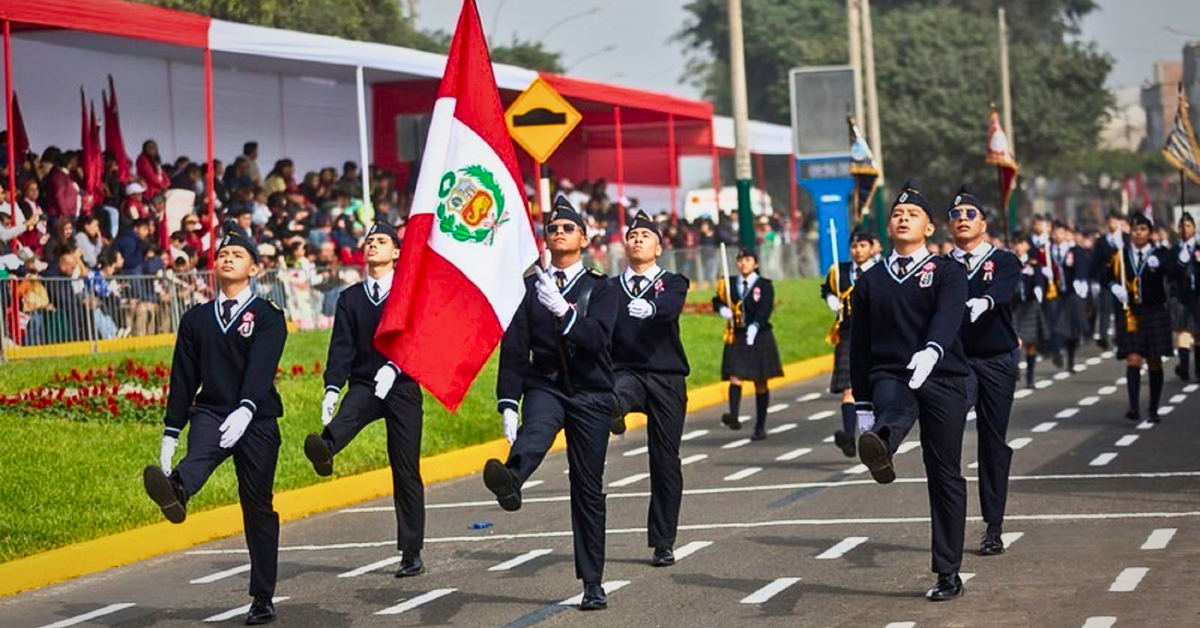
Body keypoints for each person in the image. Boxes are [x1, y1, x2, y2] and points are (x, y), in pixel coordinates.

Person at [142, 228, 287, 625]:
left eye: (238, 254)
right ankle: (177, 490)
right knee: (201, 450)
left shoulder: (268, 316)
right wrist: (172, 430)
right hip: (211, 410)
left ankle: (262, 597)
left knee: (257, 506)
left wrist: (245, 408)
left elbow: (261, 369)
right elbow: (183, 377)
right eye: (223, 253)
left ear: (254, 268)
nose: (228, 258)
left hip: (256, 418)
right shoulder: (196, 319)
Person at [482, 196, 617, 610]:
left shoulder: (602, 287)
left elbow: (599, 338)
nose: (559, 233)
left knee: (587, 488)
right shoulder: (528, 290)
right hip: (547, 384)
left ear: (584, 237)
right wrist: (508, 401)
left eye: (567, 228)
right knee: (535, 430)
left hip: (591, 392)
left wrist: (565, 313)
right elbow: (515, 347)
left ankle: (593, 582)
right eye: (553, 229)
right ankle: (512, 479)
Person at [850, 180, 970, 600]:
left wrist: (933, 351)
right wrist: (861, 404)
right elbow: (859, 345)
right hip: (892, 373)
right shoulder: (870, 281)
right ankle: (880, 443)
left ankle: (947, 571)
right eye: (897, 214)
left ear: (930, 228)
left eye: (912, 214)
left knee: (944, 473)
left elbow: (950, 315)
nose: (902, 218)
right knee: (893, 409)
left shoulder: (947, 271)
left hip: (944, 376)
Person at [303, 223, 425, 577]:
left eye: (381, 241)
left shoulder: (408, 293)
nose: (373, 246)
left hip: (401, 386)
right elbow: (341, 347)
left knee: (405, 469)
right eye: (369, 242)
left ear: (397, 252)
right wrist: (331, 387)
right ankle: (324, 449)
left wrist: (395, 367)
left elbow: (416, 337)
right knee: (348, 414)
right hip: (366, 382)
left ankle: (411, 550)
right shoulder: (351, 298)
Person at [607, 211, 690, 567]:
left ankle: (663, 541)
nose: (638, 239)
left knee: (665, 459)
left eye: (645, 235)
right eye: (633, 235)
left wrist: (652, 307)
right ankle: (615, 411)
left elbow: (670, 308)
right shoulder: (610, 287)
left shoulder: (673, 282)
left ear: (658, 247)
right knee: (614, 394)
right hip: (627, 371)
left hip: (666, 376)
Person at [947, 187, 1020, 556]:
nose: (962, 219)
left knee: (992, 442)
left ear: (984, 223)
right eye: (956, 214)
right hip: (956, 363)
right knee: (946, 439)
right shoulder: (940, 266)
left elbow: (1005, 290)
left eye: (970, 214)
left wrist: (985, 300)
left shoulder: (1003, 260)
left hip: (995, 360)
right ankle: (949, 528)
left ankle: (993, 525)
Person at [1110, 213, 1180, 423]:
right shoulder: (1121, 255)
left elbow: (1174, 273)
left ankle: (1153, 408)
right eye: (1135, 230)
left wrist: (1173, 262)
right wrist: (1113, 286)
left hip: (1155, 310)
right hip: (1131, 312)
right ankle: (1133, 407)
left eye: (1143, 230)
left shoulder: (1160, 253)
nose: (1138, 234)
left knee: (1154, 360)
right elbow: (1106, 275)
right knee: (1133, 358)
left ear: (1149, 233)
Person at [712, 248, 784, 440]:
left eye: (748, 260)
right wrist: (722, 310)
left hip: (759, 335)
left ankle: (760, 426)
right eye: (741, 260)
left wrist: (755, 325)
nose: (744, 263)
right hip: (737, 334)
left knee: (760, 381)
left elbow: (765, 307)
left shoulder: (764, 285)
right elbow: (717, 301)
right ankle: (733, 415)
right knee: (735, 375)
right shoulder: (728, 284)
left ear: (756, 264)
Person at [822, 229, 877, 457]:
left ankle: (876, 437)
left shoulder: (880, 270)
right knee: (849, 388)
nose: (858, 250)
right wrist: (831, 299)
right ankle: (848, 437)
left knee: (876, 387)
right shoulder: (839, 271)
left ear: (871, 247)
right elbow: (826, 289)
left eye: (862, 246)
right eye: (854, 247)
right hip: (847, 334)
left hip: (876, 333)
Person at [1050, 221, 1090, 371]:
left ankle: (1071, 359)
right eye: (1055, 233)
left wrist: (1081, 283)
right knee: (1055, 324)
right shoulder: (1047, 251)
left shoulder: (1074, 251)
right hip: (1055, 292)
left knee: (1071, 330)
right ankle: (1056, 352)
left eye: (1061, 233)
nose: (1058, 236)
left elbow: (1081, 268)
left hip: (1071, 293)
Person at [1012, 234, 1050, 389]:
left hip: (1030, 305)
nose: (1018, 246)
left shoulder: (1033, 264)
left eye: (1021, 243)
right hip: (1015, 306)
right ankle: (1015, 369)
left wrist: (1039, 288)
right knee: (1015, 341)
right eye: (1016, 243)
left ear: (1027, 246)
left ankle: (1030, 377)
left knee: (1031, 344)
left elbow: (1039, 279)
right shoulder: (1010, 263)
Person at [1090, 212, 1125, 350]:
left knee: (1120, 310)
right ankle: (1103, 336)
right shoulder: (1102, 241)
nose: (1112, 225)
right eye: (1110, 222)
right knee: (1105, 309)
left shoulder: (1125, 240)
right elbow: (1095, 261)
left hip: (1121, 280)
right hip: (1106, 280)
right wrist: (1094, 279)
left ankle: (1120, 336)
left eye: (1115, 222)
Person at [1171, 213, 1198, 381]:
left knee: (1199, 333)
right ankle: (1184, 366)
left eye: (1188, 226)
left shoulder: (1198, 247)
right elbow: (1170, 272)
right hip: (1182, 295)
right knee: (1184, 332)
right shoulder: (1175, 250)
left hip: (1198, 294)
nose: (1185, 229)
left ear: (1194, 228)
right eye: (1182, 226)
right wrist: (1180, 262)